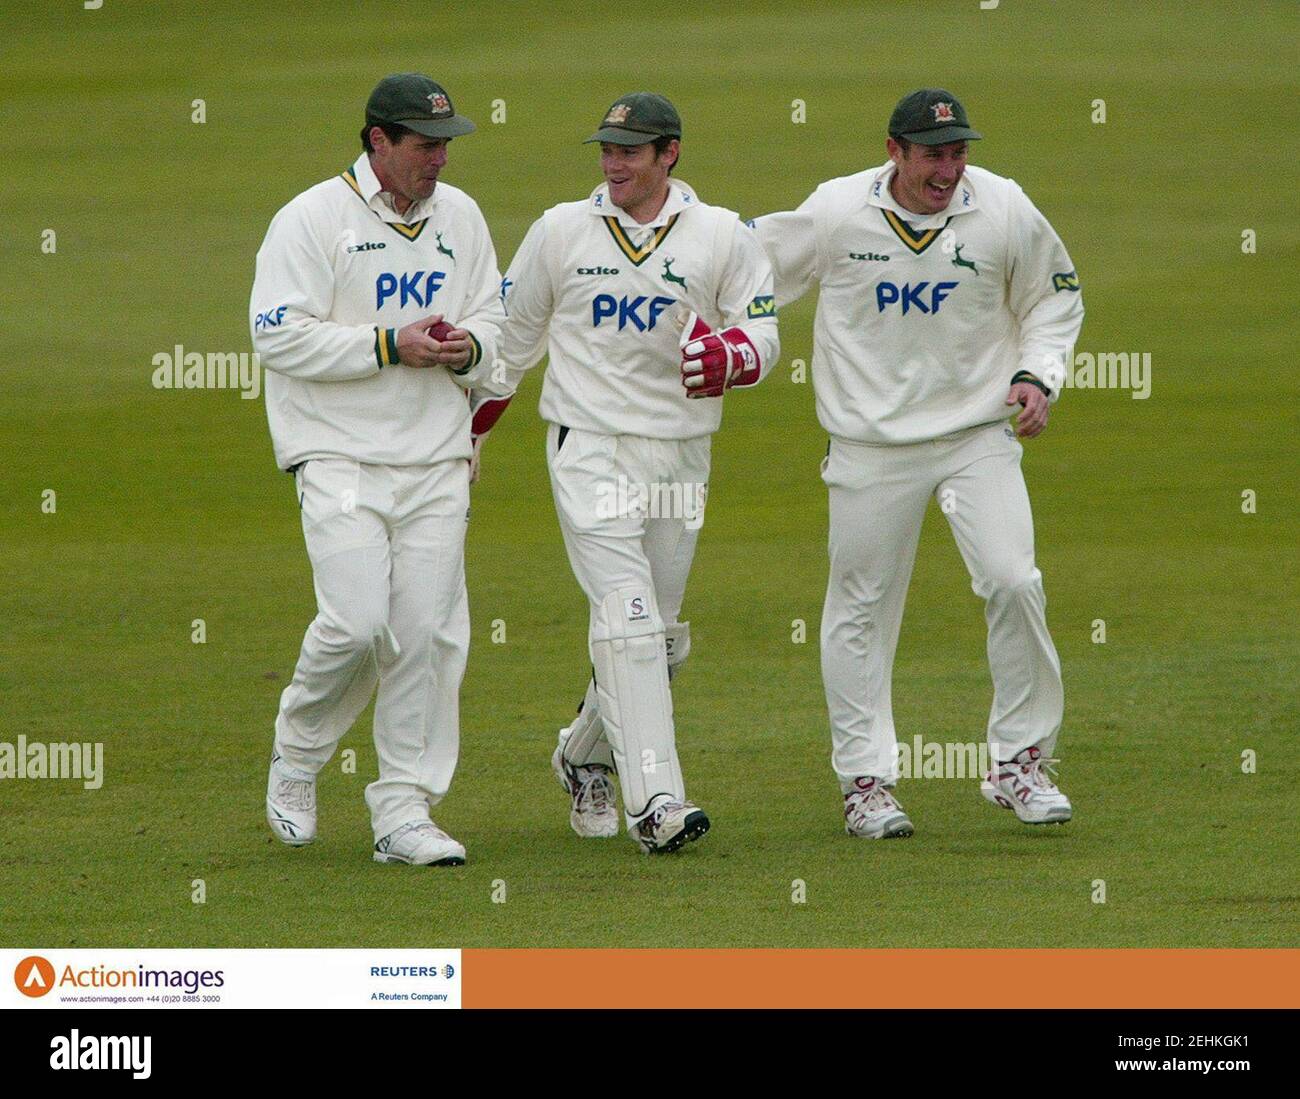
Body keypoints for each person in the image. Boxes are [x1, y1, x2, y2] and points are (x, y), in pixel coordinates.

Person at [752, 88, 1083, 838]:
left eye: (958, 152)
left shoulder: (1001, 206)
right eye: (933, 154)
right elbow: (749, 265)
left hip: (975, 435)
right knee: (861, 608)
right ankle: (866, 781)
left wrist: (1037, 376)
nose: (949, 169)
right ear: (895, 151)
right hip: (871, 444)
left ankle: (1019, 763)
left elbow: (1055, 298)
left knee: (1013, 578)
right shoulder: (837, 211)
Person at [485, 92, 779, 853]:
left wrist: (730, 356)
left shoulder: (722, 234)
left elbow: (764, 330)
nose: (614, 165)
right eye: (607, 152)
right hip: (589, 446)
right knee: (629, 617)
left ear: (669, 154)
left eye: (631, 152)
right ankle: (658, 804)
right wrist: (469, 435)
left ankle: (582, 752)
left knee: (661, 638)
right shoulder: (560, 231)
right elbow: (511, 340)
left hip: (681, 451)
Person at [250, 73, 507, 866]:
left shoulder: (460, 218)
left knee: (425, 636)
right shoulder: (311, 218)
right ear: (378, 143)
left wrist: (471, 347)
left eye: (446, 145)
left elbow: (495, 321)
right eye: (426, 146)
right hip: (340, 455)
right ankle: (297, 751)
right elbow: (277, 335)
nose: (440, 160)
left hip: (434, 456)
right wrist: (388, 345)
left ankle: (403, 809)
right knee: (358, 622)